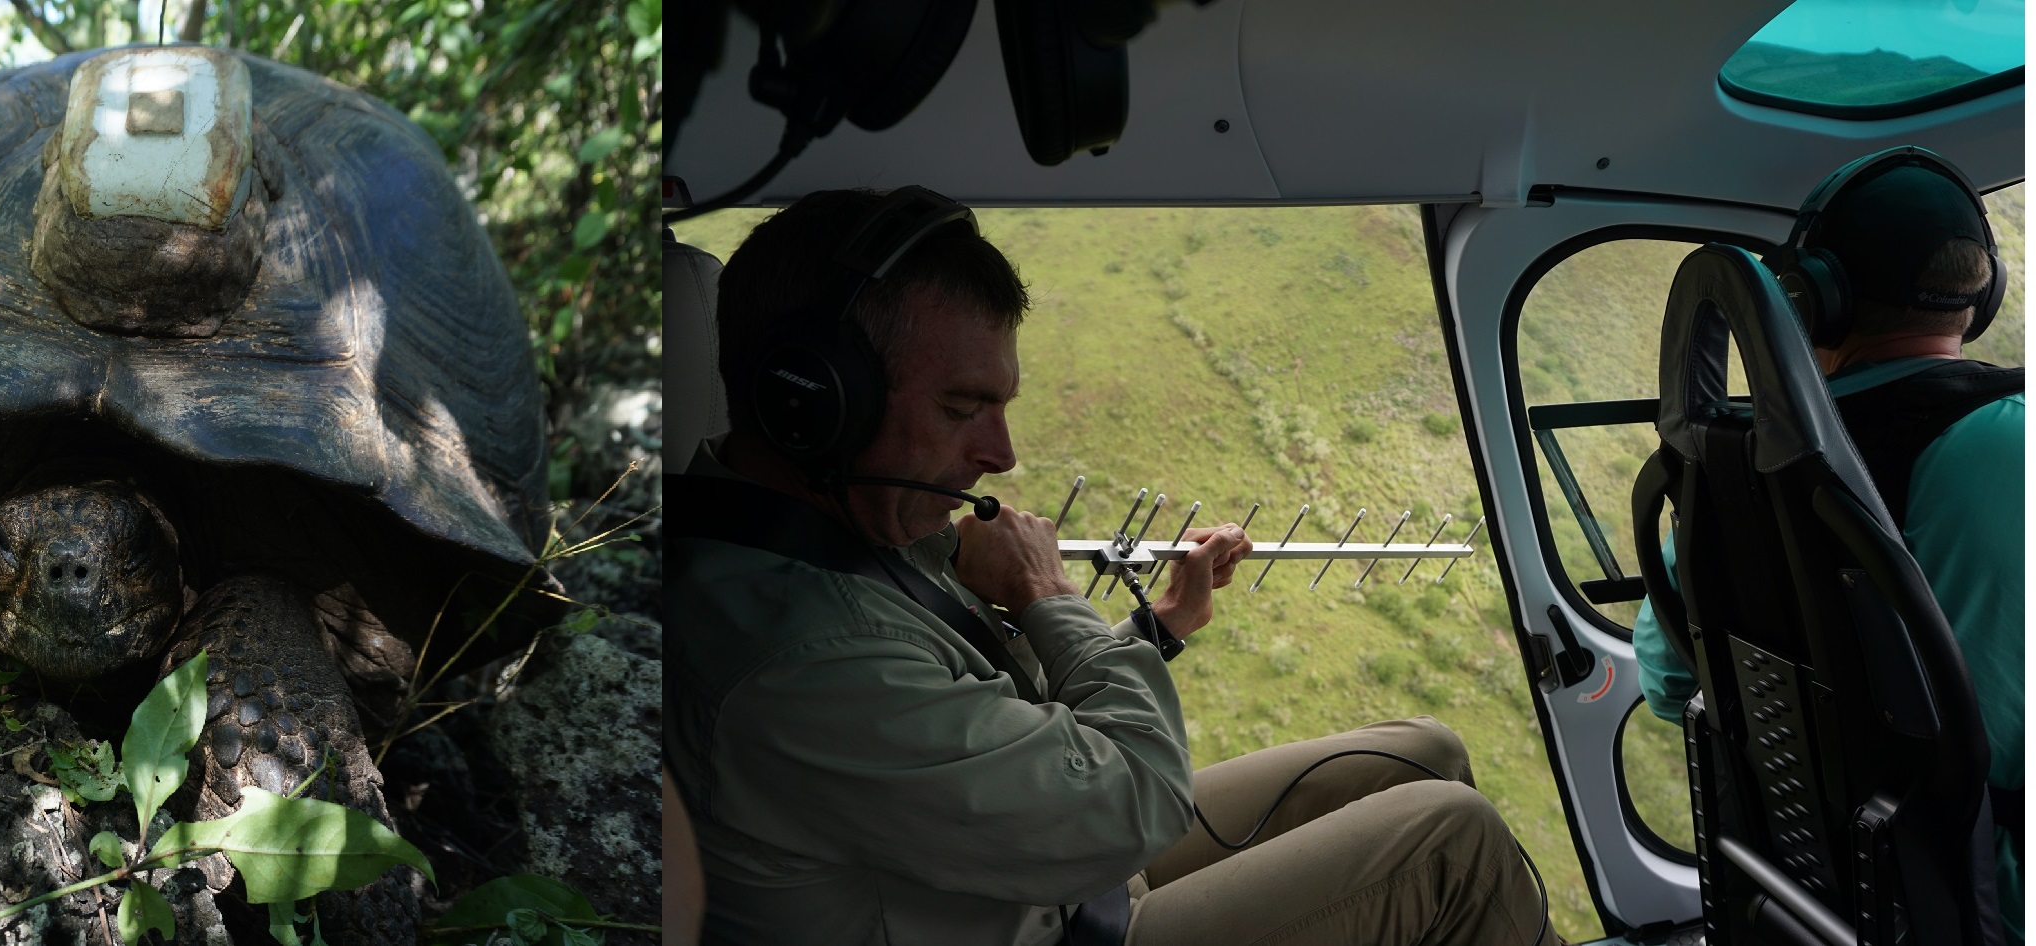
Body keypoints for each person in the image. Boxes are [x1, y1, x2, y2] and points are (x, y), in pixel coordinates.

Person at [665, 187, 1560, 946]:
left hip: (1037, 881)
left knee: (1421, 755)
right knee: (1451, 844)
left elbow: (984, 730)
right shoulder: (795, 657)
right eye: (961, 406)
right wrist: (1051, 596)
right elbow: (1130, 803)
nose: (1002, 454)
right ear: (814, 403)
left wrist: (1155, 629)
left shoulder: (819, 534)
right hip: (1056, 910)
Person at [1631, 152, 2023, 931]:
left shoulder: (1731, 467)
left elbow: (1668, 685)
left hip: (1811, 891)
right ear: (1980, 300)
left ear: (1809, 299)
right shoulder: (2013, 446)